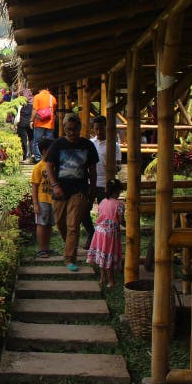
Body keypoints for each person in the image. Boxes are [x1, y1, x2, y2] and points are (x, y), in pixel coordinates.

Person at [45, 113, 98, 272]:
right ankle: (69, 244)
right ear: (64, 129)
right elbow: (49, 166)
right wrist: (55, 185)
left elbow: (92, 169)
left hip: (80, 189)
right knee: (61, 223)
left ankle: (70, 258)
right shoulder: (58, 144)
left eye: (75, 129)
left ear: (80, 128)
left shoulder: (87, 145)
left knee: (73, 225)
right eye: (68, 129)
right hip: (60, 189)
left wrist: (92, 188)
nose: (72, 132)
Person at [82, 115, 123, 249]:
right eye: (96, 129)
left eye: (102, 129)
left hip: (105, 184)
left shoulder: (114, 145)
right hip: (90, 183)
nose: (99, 132)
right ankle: (91, 234)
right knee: (83, 211)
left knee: (105, 214)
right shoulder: (90, 143)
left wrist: (114, 168)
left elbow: (118, 165)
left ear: (107, 128)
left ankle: (103, 240)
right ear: (93, 129)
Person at [87, 179, 125, 287]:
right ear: (117, 191)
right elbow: (121, 220)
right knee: (109, 256)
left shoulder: (103, 201)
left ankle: (102, 278)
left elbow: (101, 214)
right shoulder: (119, 204)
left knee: (102, 254)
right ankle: (111, 281)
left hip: (99, 232)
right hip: (110, 234)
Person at [31, 137, 57, 258]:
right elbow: (35, 187)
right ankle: (41, 249)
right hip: (42, 201)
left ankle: (47, 248)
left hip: (54, 200)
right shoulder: (38, 167)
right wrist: (35, 204)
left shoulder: (54, 165)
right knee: (42, 224)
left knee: (49, 224)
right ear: (45, 151)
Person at [32, 87, 57, 163]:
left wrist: (31, 120)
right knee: (49, 142)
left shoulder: (37, 97)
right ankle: (48, 157)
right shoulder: (52, 98)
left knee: (37, 141)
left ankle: (39, 159)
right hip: (50, 123)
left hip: (39, 122)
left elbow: (35, 110)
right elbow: (54, 110)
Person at [16, 87, 34, 162]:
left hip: (22, 123)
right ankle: (32, 155)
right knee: (32, 139)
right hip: (31, 123)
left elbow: (16, 115)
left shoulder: (20, 103)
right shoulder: (33, 103)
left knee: (23, 140)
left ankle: (25, 156)